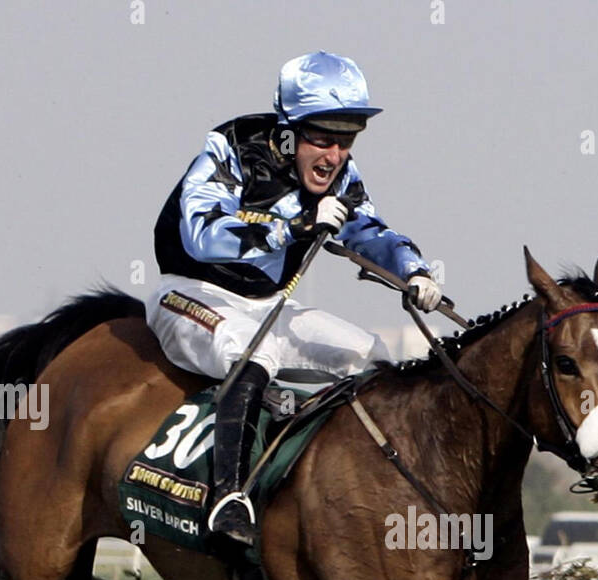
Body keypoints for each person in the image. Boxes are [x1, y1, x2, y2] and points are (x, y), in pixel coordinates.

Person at [149, 50, 442, 548]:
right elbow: (200, 233)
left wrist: (411, 270)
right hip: (190, 292)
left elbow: (368, 231)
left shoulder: (342, 177)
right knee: (254, 351)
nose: (334, 156)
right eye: (322, 138)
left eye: (345, 141)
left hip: (268, 305)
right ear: (288, 130)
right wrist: (296, 227)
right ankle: (228, 499)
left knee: (371, 355)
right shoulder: (232, 147)